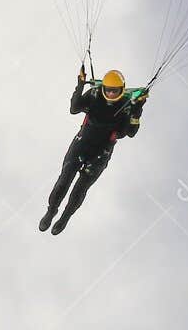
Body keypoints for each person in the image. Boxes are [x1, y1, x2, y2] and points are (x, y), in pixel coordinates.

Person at [39, 66, 147, 235]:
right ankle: (51, 210)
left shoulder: (127, 105)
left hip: (100, 154)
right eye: (109, 90)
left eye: (115, 91)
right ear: (103, 88)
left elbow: (130, 133)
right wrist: (80, 85)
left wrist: (137, 110)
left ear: (121, 89)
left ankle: (65, 217)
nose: (111, 94)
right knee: (64, 180)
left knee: (80, 189)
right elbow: (74, 108)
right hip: (81, 144)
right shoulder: (94, 95)